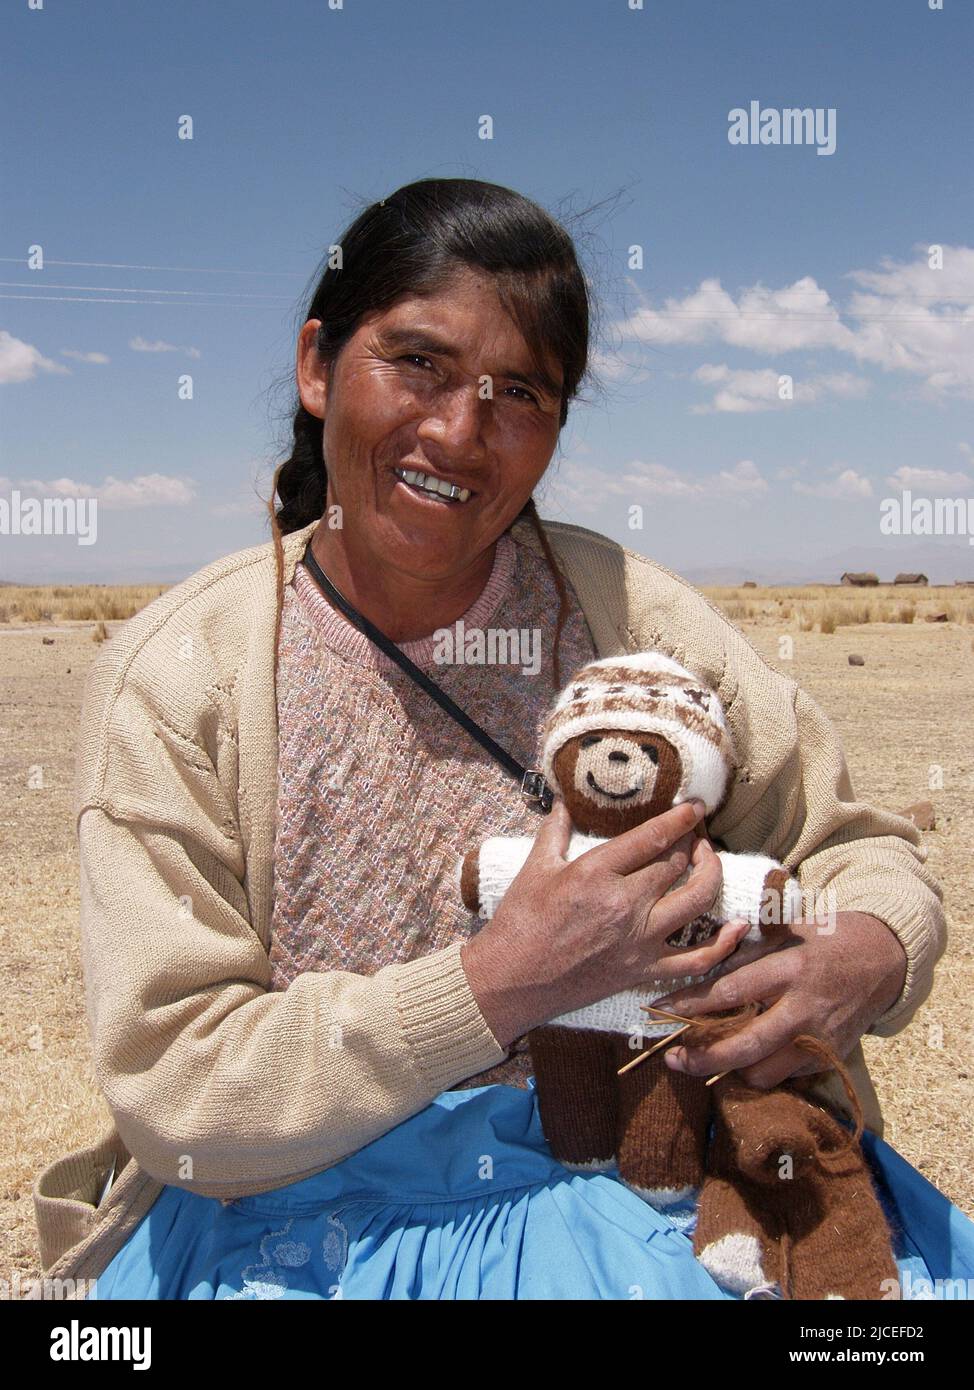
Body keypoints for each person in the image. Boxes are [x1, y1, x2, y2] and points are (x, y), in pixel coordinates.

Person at [33, 178, 946, 1300]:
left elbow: (854, 845)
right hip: (301, 1232)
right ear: (319, 366)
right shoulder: (181, 675)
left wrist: (866, 951)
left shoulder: (630, 614)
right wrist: (496, 984)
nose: (458, 433)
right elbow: (177, 1084)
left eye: (518, 391)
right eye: (415, 362)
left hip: (646, 1198)